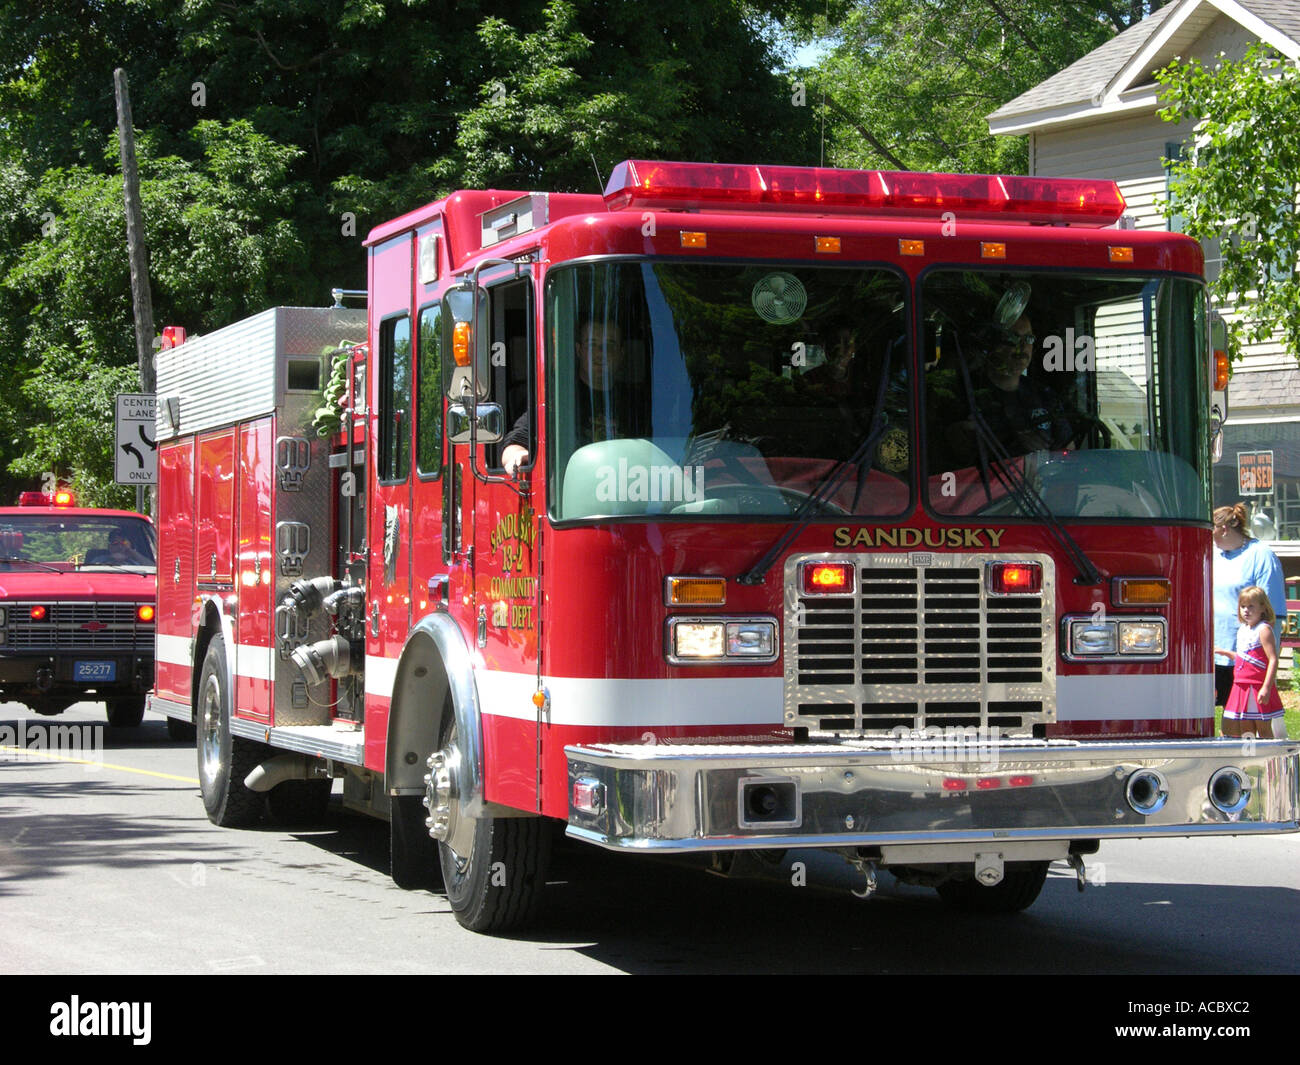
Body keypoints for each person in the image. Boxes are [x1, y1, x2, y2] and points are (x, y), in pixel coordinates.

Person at [501, 319, 631, 476]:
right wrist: (516, 456)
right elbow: (516, 443)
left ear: (621, 353)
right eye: (591, 345)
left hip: (630, 486)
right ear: (579, 350)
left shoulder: (635, 404)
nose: (600, 353)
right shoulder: (558, 399)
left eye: (609, 345)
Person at [944, 313, 1075, 466]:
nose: (1023, 347)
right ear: (991, 344)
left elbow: (1068, 453)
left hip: (1038, 487)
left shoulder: (1045, 395)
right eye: (1013, 339)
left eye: (1028, 339)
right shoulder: (962, 393)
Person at [1212, 502, 1287, 707]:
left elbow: (1272, 614)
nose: (1210, 536)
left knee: (1248, 719)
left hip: (1248, 655)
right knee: (1225, 718)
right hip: (1216, 652)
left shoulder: (1261, 556)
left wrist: (1267, 661)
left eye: (1212, 530)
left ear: (1224, 529)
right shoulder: (1214, 556)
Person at [1215, 585, 1287, 739]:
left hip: (1257, 686)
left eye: (1251, 606)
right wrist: (1224, 652)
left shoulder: (1264, 629)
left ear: (1263, 608)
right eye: (1243, 606)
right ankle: (1250, 759)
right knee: (1246, 728)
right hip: (1241, 686)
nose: (1246, 610)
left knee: (1263, 727)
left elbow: (1272, 659)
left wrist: (1266, 687)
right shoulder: (1243, 629)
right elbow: (1244, 658)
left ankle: (1267, 759)